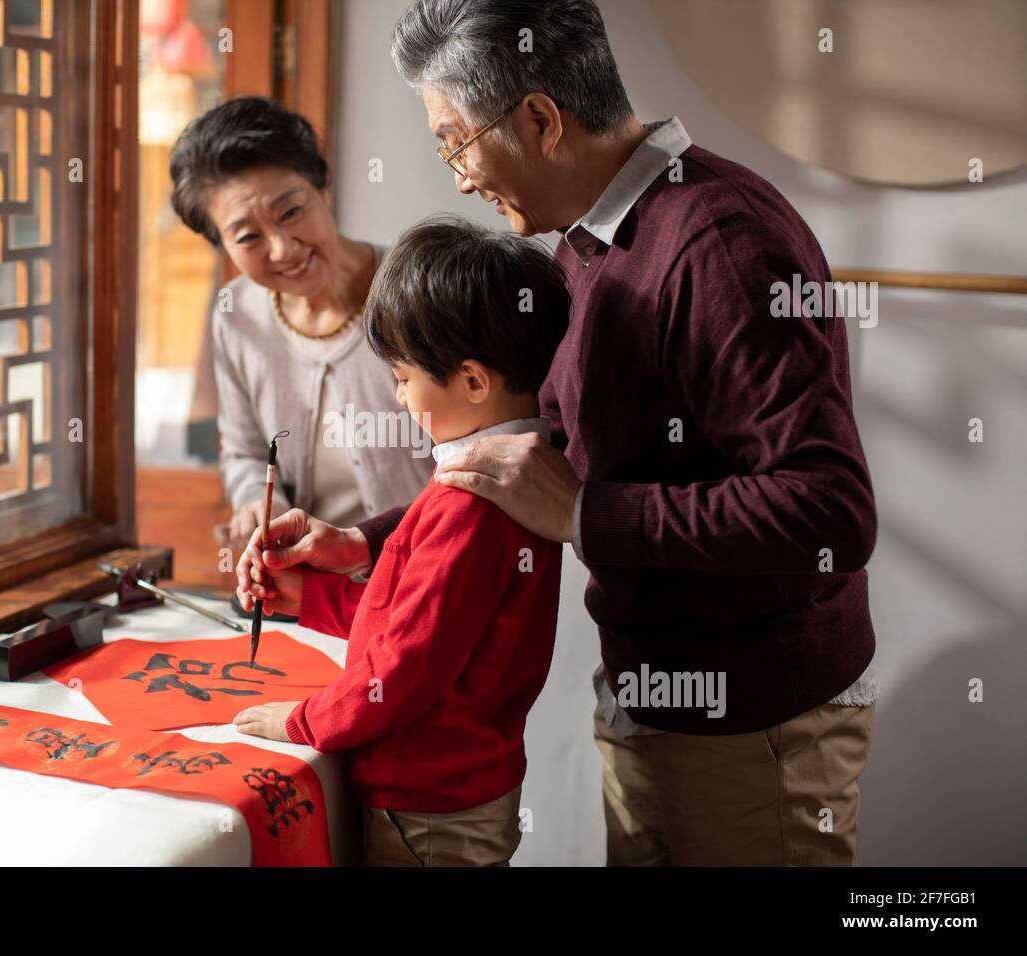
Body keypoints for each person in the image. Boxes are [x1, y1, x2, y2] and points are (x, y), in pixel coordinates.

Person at [239, 0, 879, 866]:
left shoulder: (719, 246)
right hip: (652, 694)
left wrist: (585, 515)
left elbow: (830, 512)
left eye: (455, 141)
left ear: (541, 118)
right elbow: (525, 454)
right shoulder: (583, 243)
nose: (459, 176)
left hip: (755, 721)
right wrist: (360, 542)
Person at [232, 217, 569, 867]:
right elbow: (415, 620)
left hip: (429, 808)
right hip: (454, 791)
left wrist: (300, 723)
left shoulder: (470, 504)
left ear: (472, 382)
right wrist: (308, 597)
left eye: (404, 378)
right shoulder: (514, 479)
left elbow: (402, 669)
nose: (398, 395)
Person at [169, 96, 432, 554]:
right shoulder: (237, 316)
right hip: (313, 591)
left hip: (428, 575)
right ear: (223, 247)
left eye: (291, 212)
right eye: (248, 237)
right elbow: (245, 451)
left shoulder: (421, 292)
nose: (283, 249)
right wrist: (255, 501)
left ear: (323, 190)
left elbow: (474, 456)